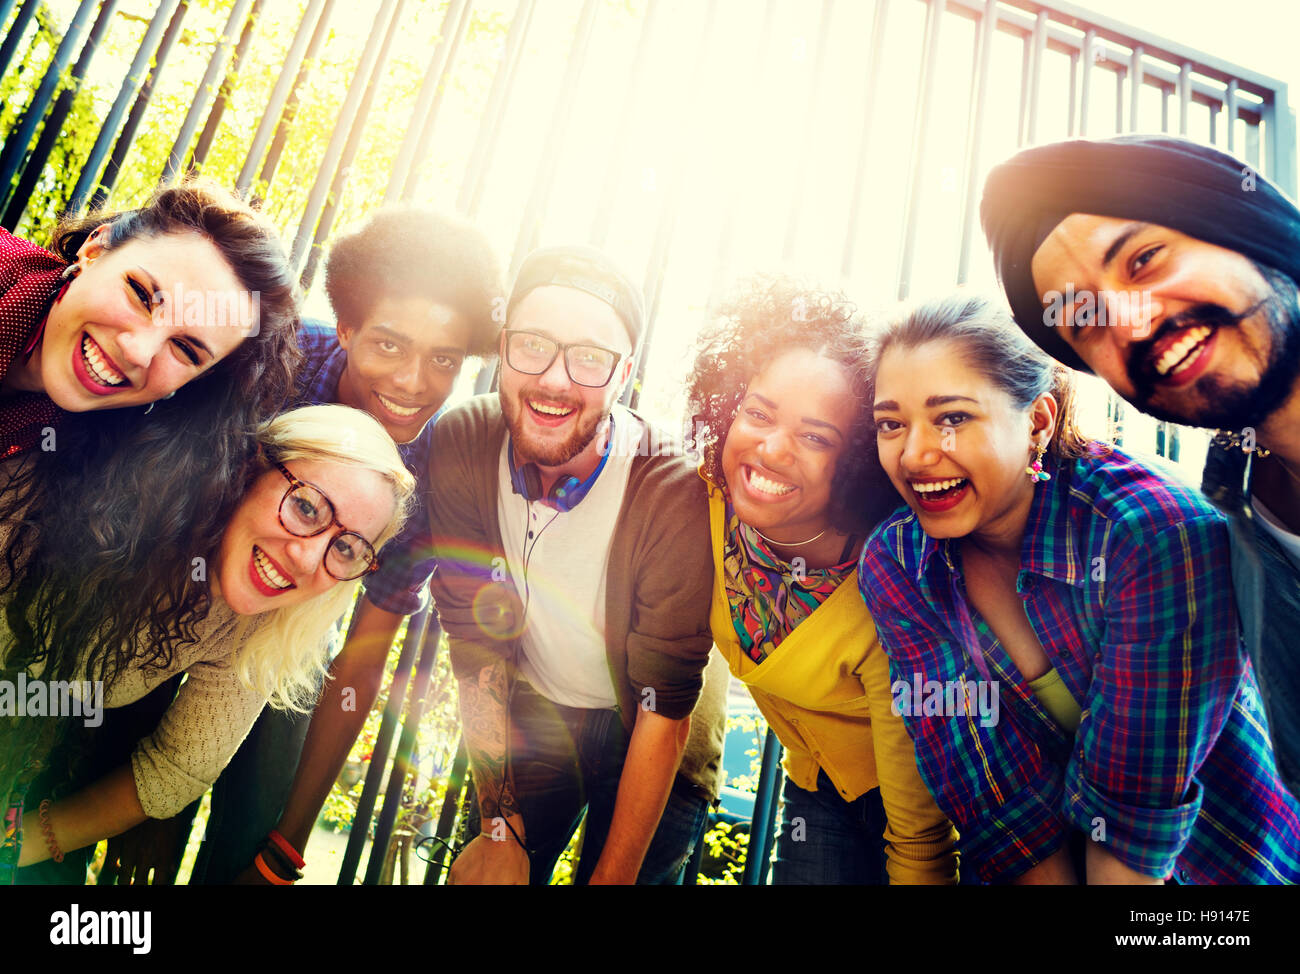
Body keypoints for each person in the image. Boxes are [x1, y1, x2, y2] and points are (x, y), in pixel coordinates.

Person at [858, 292, 1300, 884]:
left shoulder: (1150, 532)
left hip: (1224, 863)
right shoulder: (898, 562)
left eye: (953, 417)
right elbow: (992, 794)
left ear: (1038, 421)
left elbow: (1134, 813)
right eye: (892, 423)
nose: (914, 454)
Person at [172, 206, 502, 885]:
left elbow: (359, 659)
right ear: (346, 328)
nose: (413, 382)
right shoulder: (274, 362)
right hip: (166, 589)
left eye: (443, 359)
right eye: (388, 344)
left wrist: (286, 845)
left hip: (280, 643)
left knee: (259, 810)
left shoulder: (430, 478)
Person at [981, 134, 1300, 796]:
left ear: (1249, 227)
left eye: (1144, 259)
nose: (1129, 326)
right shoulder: (1237, 515)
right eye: (1084, 324)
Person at [0, 404, 414, 883]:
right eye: (306, 507)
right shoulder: (94, 499)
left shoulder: (259, 627)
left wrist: (19, 844)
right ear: (250, 467)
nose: (306, 557)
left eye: (345, 548)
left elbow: (176, 770)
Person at [428, 244, 726, 885]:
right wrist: (498, 826)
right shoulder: (461, 442)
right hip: (534, 712)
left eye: (591, 358)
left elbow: (663, 703)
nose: (555, 380)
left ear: (623, 378)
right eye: (533, 343)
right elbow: (474, 640)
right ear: (503, 345)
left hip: (656, 737)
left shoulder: (672, 483)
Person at [685, 275, 958, 884]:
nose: (773, 448)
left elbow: (919, 833)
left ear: (857, 458)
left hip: (924, 805)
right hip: (814, 786)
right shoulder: (701, 504)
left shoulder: (886, 578)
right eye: (758, 413)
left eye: (815, 436)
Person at [0, 179, 298, 458]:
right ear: (93, 251)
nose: (138, 352)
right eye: (142, 296)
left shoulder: (99, 454)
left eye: (185, 350)